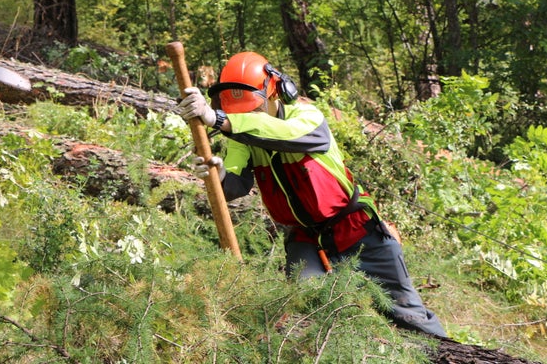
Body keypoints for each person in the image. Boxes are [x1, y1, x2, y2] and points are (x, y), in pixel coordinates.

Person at [178, 51, 447, 337]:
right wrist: (216, 174)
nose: (248, 117)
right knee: (309, 314)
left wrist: (217, 119)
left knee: (408, 316)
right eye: (241, 113)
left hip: (356, 229)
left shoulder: (306, 117)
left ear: (275, 93)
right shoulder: (243, 139)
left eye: (254, 109)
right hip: (305, 239)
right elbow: (234, 185)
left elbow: (284, 134)